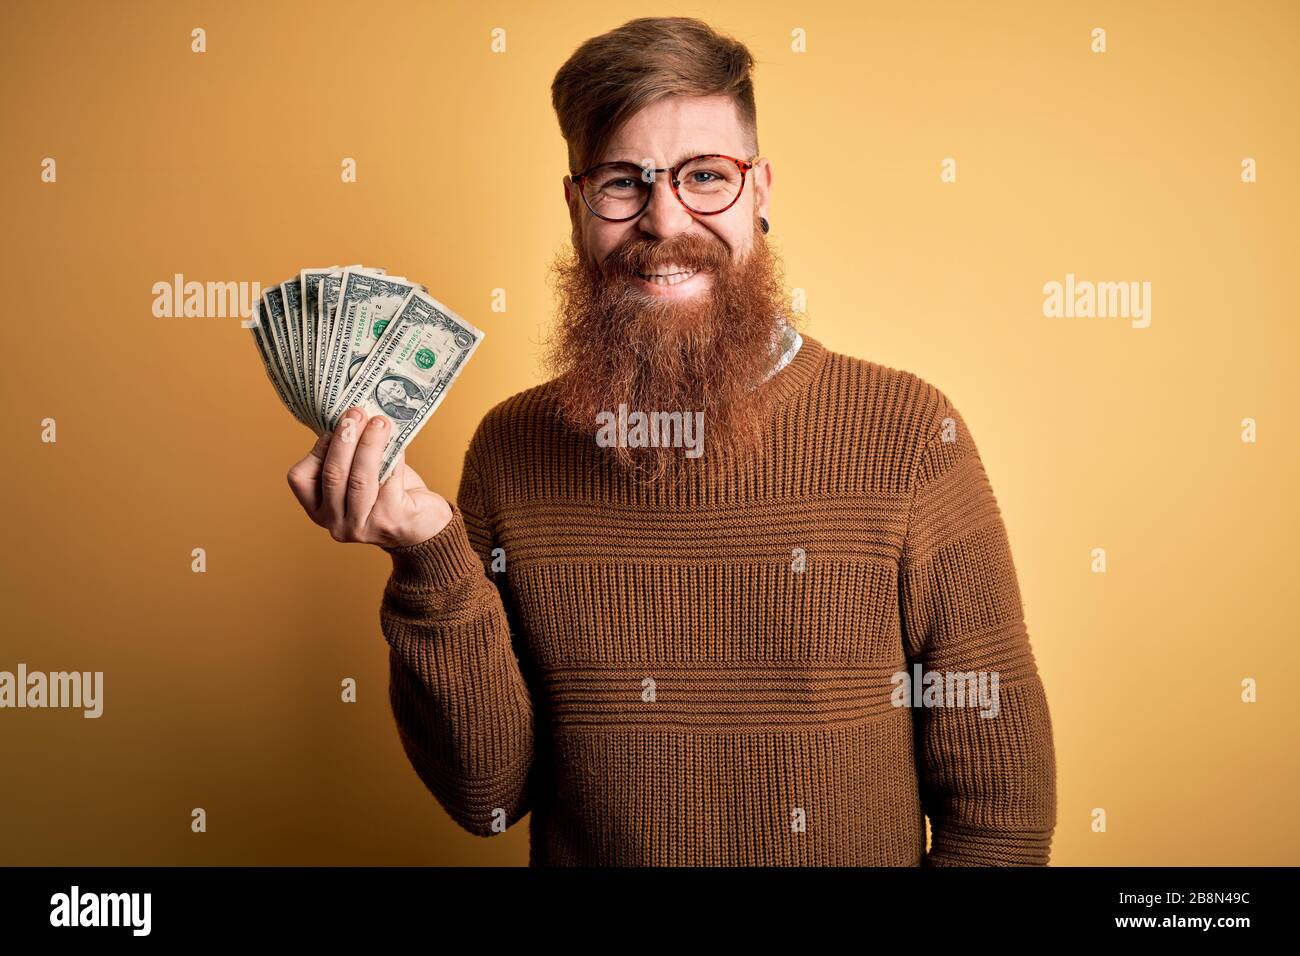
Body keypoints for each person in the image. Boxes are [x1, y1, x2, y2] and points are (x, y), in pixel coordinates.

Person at [286, 16, 1057, 866]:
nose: (664, 220)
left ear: (760, 190)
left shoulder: (911, 435)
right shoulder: (510, 451)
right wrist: (427, 555)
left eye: (705, 177)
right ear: (577, 205)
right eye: (623, 182)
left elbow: (1002, 812)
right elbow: (489, 796)